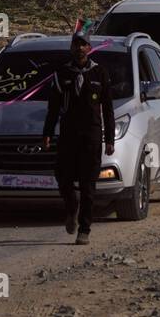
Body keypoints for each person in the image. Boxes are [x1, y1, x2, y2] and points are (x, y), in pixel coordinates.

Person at [43, 35, 114, 245]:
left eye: (83, 45)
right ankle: (72, 207)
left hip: (91, 135)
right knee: (63, 178)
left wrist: (109, 138)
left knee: (88, 185)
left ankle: (84, 229)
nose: (80, 49)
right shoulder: (63, 73)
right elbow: (53, 107)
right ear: (72, 48)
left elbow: (108, 108)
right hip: (68, 135)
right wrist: (47, 133)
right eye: (76, 45)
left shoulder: (99, 73)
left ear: (89, 47)